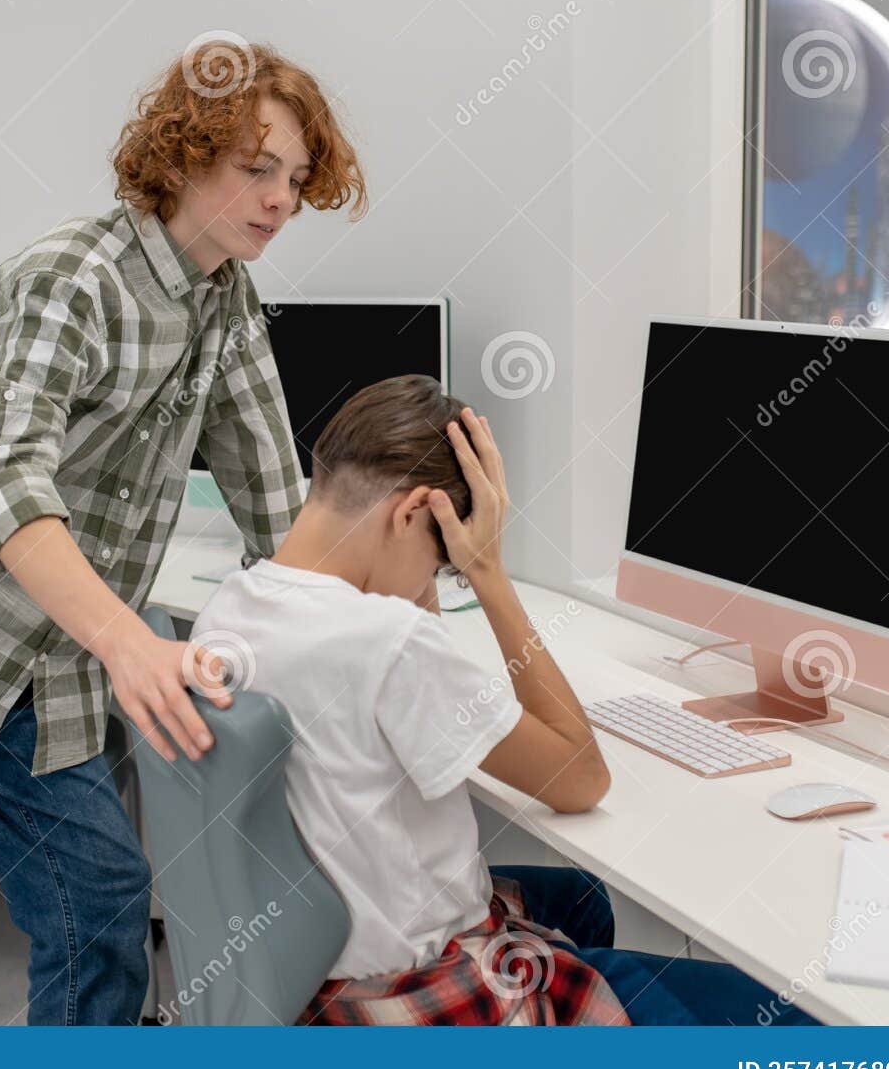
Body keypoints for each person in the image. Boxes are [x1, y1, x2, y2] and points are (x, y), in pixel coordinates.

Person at [0, 39, 365, 1024]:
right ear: (181, 156)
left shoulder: (227, 306)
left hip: (32, 660)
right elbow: (0, 481)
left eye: (295, 178)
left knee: (102, 903)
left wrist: (378, 622)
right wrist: (130, 644)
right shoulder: (68, 279)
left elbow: (275, 500)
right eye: (257, 168)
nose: (281, 199)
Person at [191, 376, 819, 1025]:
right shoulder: (384, 641)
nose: (437, 577)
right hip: (408, 983)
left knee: (579, 899)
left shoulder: (229, 608)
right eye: (440, 561)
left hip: (302, 969)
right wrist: (488, 569)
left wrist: (419, 572)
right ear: (411, 515)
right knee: (787, 1021)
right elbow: (580, 778)